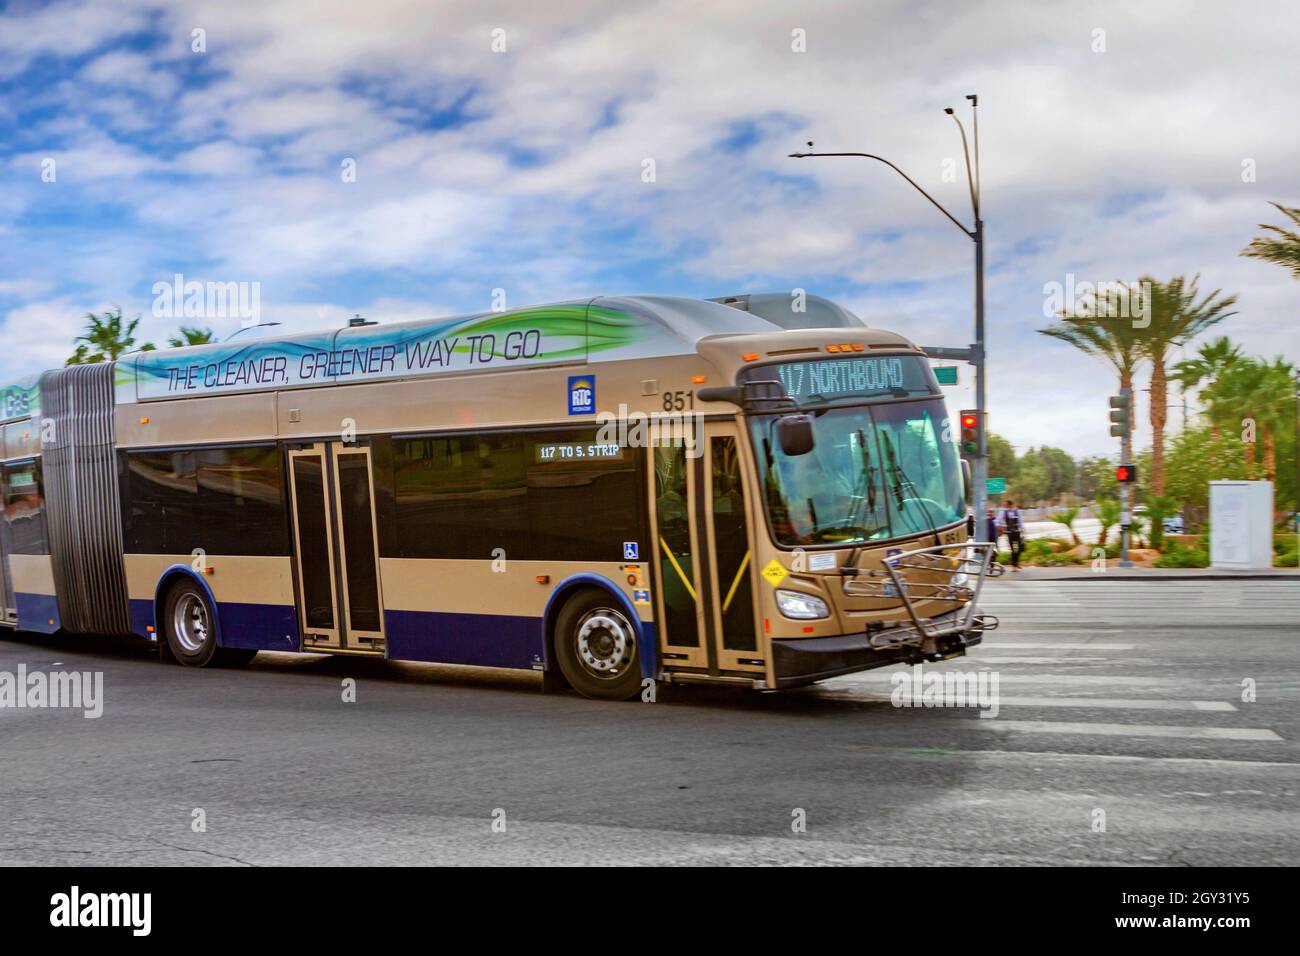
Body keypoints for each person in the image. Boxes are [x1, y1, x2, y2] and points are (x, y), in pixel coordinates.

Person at [997, 498, 1024, 570]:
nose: (1004, 505)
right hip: (1009, 533)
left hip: (1017, 532)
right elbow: (998, 521)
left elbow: (1021, 521)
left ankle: (1016, 563)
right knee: (1013, 549)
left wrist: (1022, 530)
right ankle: (1014, 565)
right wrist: (1001, 527)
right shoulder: (1003, 512)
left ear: (1010, 504)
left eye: (1005, 504)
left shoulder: (1017, 511)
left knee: (1019, 548)